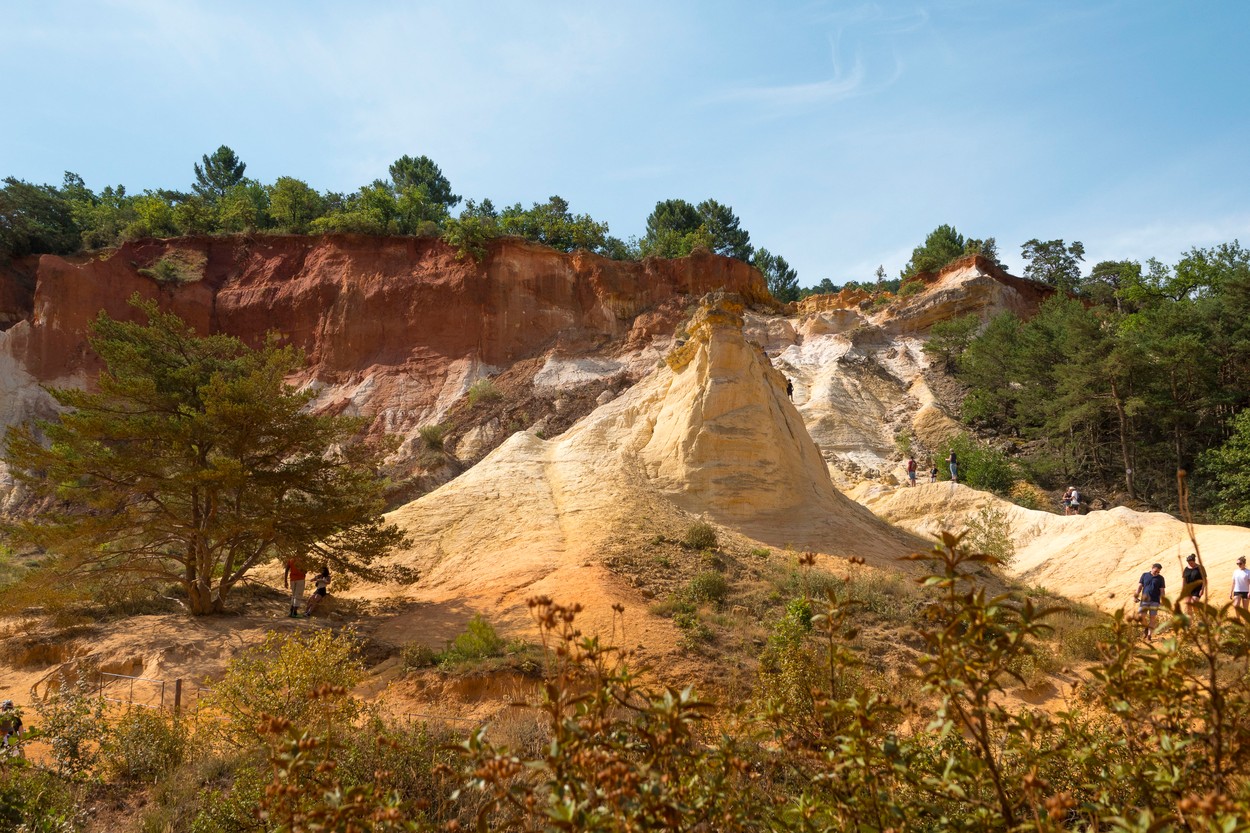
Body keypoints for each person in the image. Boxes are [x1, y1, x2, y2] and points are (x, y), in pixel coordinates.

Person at [1135, 563, 1166, 642]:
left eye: (1158, 572)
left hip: (1155, 601)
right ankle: (1146, 627)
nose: (1157, 573)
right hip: (1144, 600)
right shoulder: (1145, 575)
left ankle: (1149, 636)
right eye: (1156, 571)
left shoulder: (1161, 578)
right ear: (1152, 568)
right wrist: (1136, 595)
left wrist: (1163, 600)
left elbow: (1162, 590)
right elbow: (1139, 586)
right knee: (1140, 616)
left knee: (1152, 618)